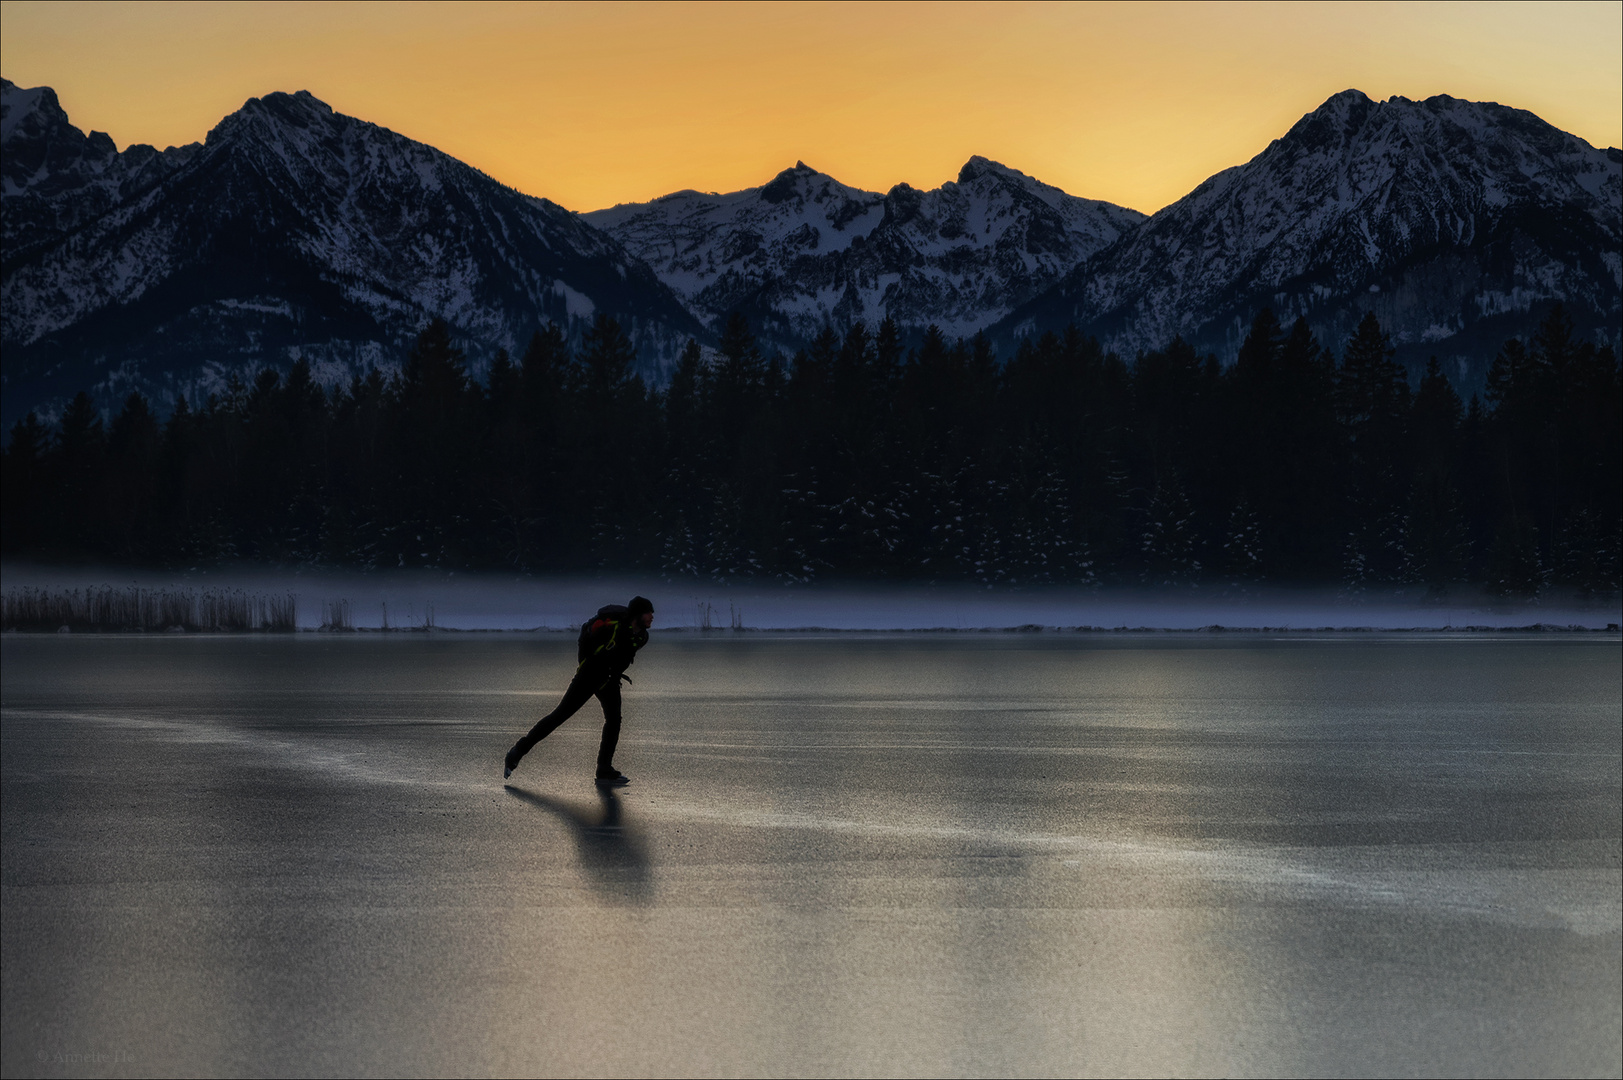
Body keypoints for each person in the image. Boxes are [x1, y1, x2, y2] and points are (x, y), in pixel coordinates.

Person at [505, 596, 654, 786]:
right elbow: (588, 646)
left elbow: (622, 658)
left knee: (614, 720)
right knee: (560, 716)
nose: (652, 617)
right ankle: (516, 752)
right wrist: (589, 669)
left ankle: (604, 770)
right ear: (637, 615)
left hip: (609, 679)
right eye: (648, 613)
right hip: (589, 675)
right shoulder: (609, 627)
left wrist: (612, 675)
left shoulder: (642, 637)